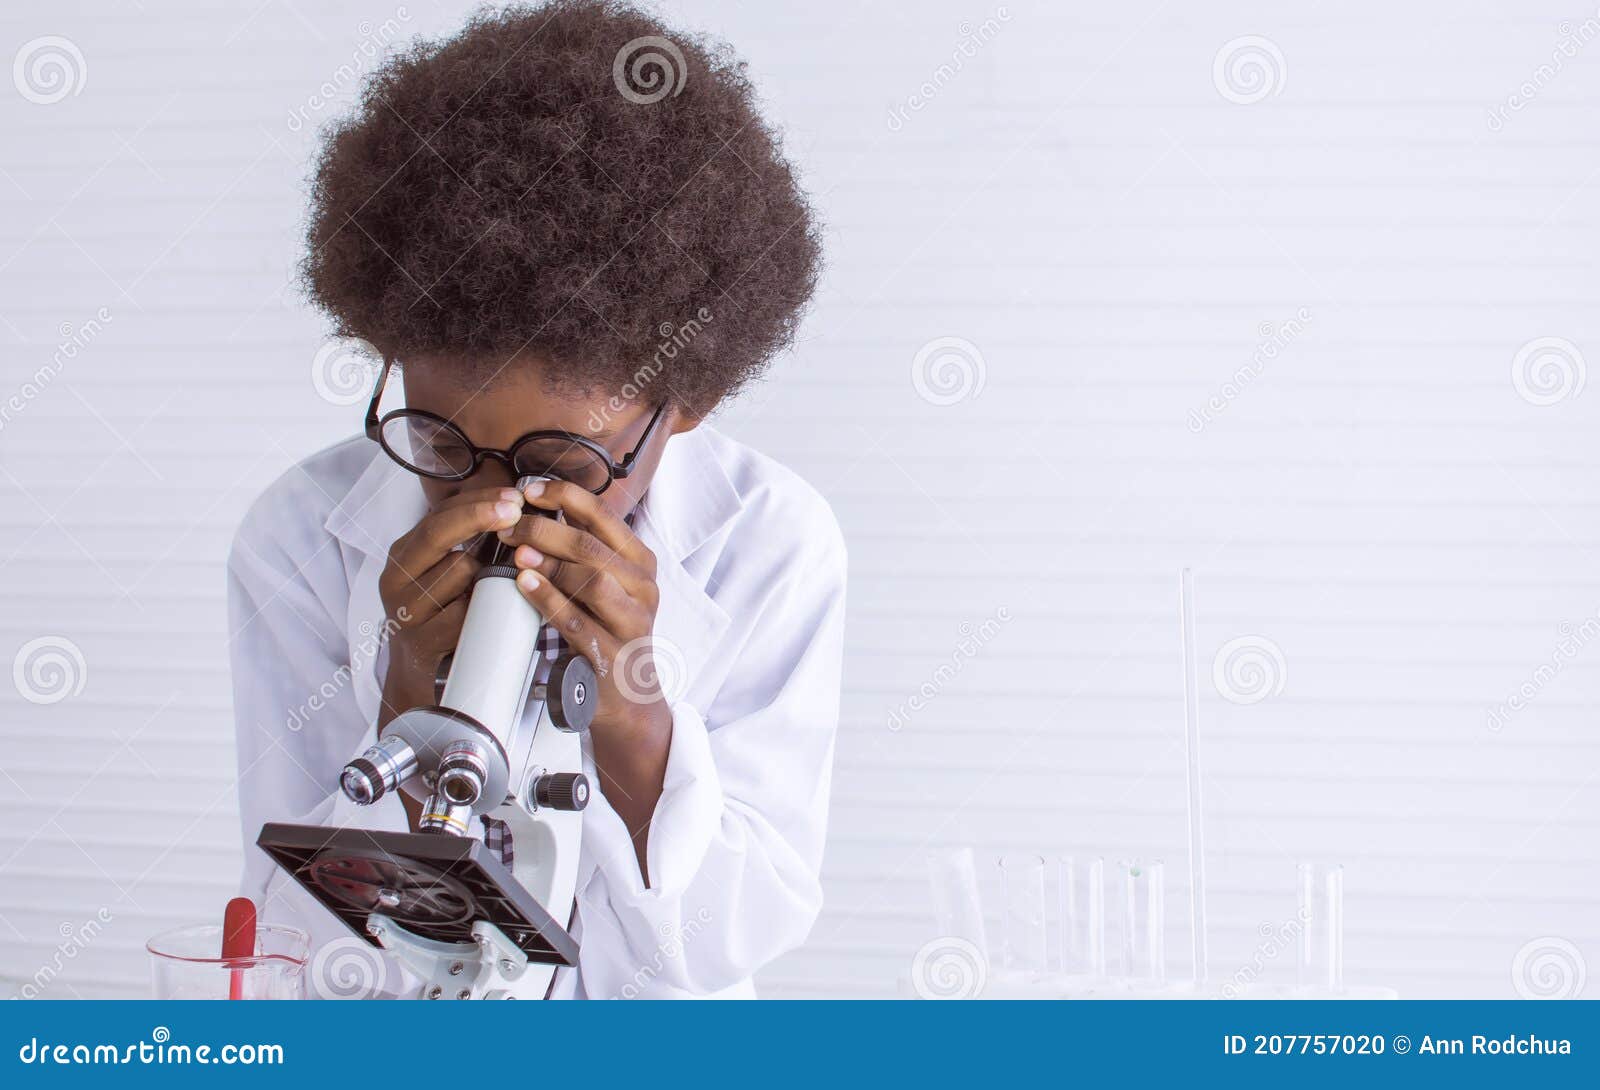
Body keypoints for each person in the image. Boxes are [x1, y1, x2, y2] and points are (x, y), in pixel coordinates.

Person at [226, 0, 843, 999]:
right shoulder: (298, 536)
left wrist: (639, 728)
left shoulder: (770, 542)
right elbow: (299, 953)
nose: (494, 502)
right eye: (439, 441)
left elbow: (733, 938)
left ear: (689, 402)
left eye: (562, 455)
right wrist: (405, 709)